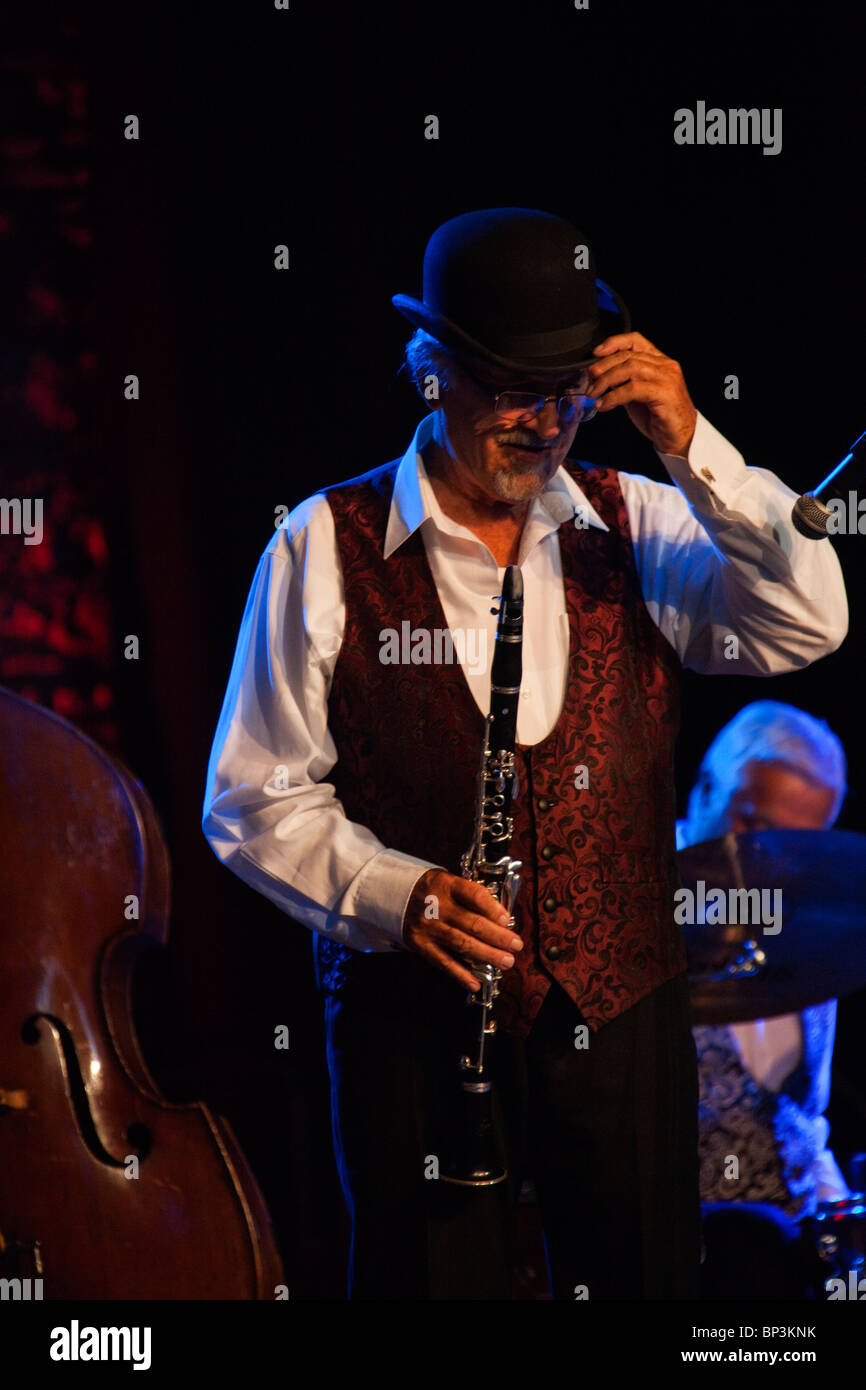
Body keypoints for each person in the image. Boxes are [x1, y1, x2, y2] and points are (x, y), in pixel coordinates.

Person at [202, 207, 848, 1300]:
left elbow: (803, 621)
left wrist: (693, 445)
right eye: (510, 387)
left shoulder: (636, 520)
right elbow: (253, 797)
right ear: (430, 372)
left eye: (567, 393)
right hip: (415, 1031)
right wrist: (391, 892)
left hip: (622, 1008)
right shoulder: (320, 542)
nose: (544, 422)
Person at [677, 700, 852, 1299]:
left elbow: (804, 1120)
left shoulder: (820, 931)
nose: (766, 857)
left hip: (792, 1267)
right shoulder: (617, 914)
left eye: (797, 844)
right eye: (750, 823)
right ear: (704, 789)